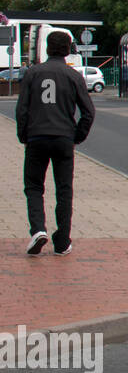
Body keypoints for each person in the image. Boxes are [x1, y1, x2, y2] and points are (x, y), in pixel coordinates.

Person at [15, 31, 95, 256]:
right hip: (63, 139)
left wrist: (24, 135)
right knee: (64, 189)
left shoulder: (33, 73)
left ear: (47, 49)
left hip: (37, 137)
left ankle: (38, 230)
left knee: (33, 187)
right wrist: (77, 136)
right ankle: (62, 241)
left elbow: (22, 109)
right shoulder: (73, 76)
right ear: (68, 49)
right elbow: (88, 112)